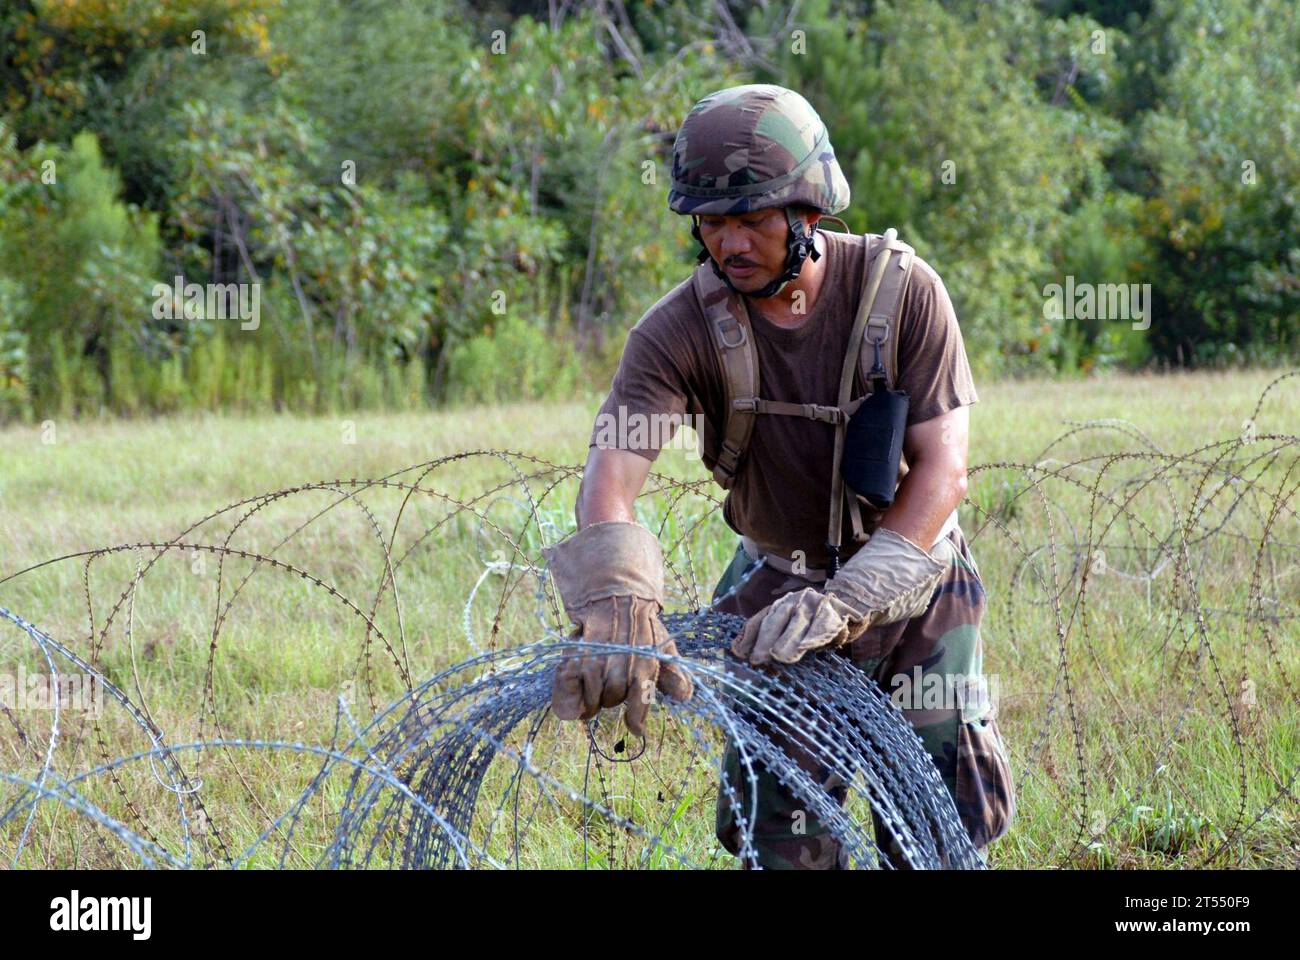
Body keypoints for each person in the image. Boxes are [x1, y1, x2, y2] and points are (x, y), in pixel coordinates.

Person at [542, 83, 1015, 868]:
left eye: (752, 219)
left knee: (941, 820)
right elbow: (612, 474)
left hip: (913, 578)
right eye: (711, 221)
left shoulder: (904, 297)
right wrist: (618, 592)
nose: (729, 242)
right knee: (781, 828)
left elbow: (944, 472)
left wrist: (852, 600)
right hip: (776, 593)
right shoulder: (677, 331)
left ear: (809, 213)